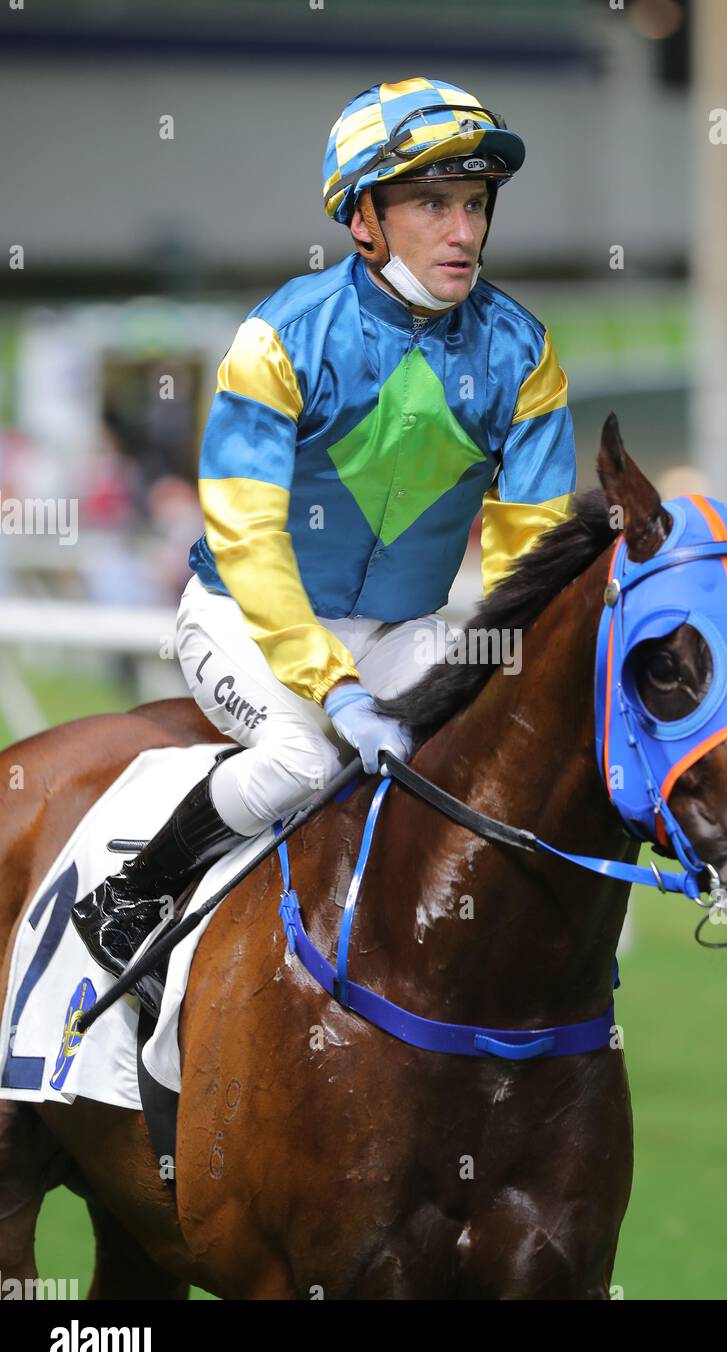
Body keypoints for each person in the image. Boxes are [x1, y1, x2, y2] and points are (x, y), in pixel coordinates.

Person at [71, 77, 577, 1015]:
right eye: (432, 204)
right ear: (364, 220)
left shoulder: (523, 354)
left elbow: (530, 556)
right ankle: (133, 892)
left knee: (488, 762)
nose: (463, 230)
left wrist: (518, 676)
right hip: (245, 619)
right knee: (309, 759)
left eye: (473, 205)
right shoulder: (283, 336)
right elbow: (250, 537)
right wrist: (333, 684)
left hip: (402, 628)